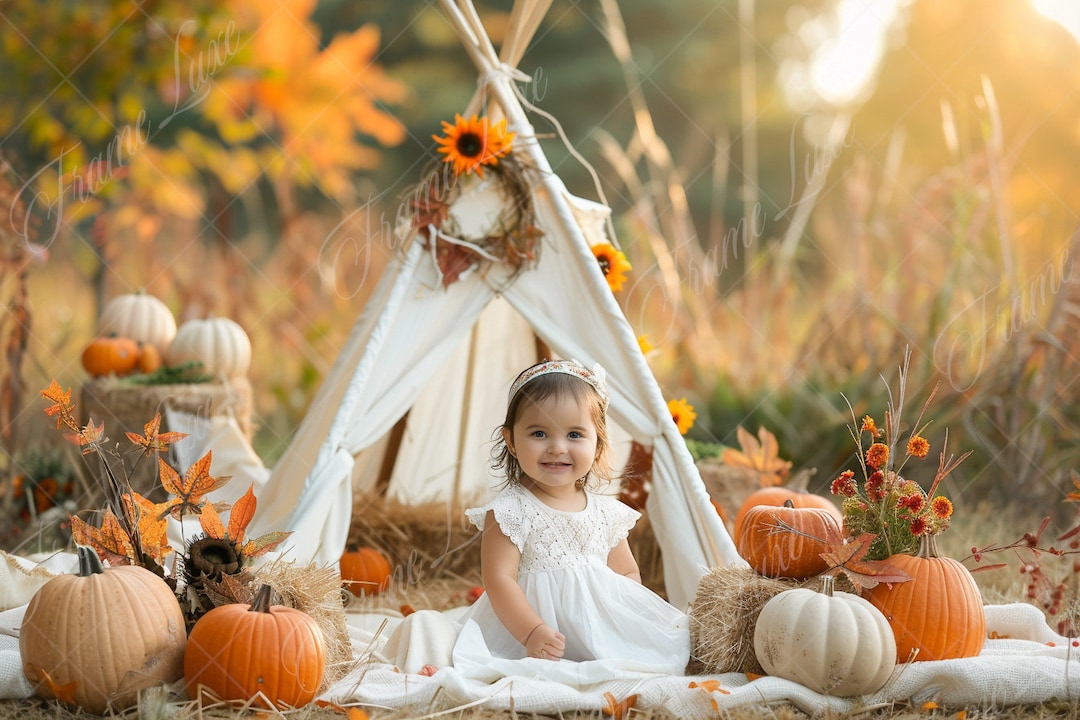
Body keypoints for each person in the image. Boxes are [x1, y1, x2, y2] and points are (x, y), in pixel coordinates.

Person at [449, 359, 691, 684]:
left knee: (667, 647)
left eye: (575, 434)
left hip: (597, 626)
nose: (557, 447)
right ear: (511, 440)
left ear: (598, 443)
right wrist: (531, 631)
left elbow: (626, 571)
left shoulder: (605, 511)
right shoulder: (511, 510)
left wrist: (627, 618)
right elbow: (498, 579)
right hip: (529, 630)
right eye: (539, 433)